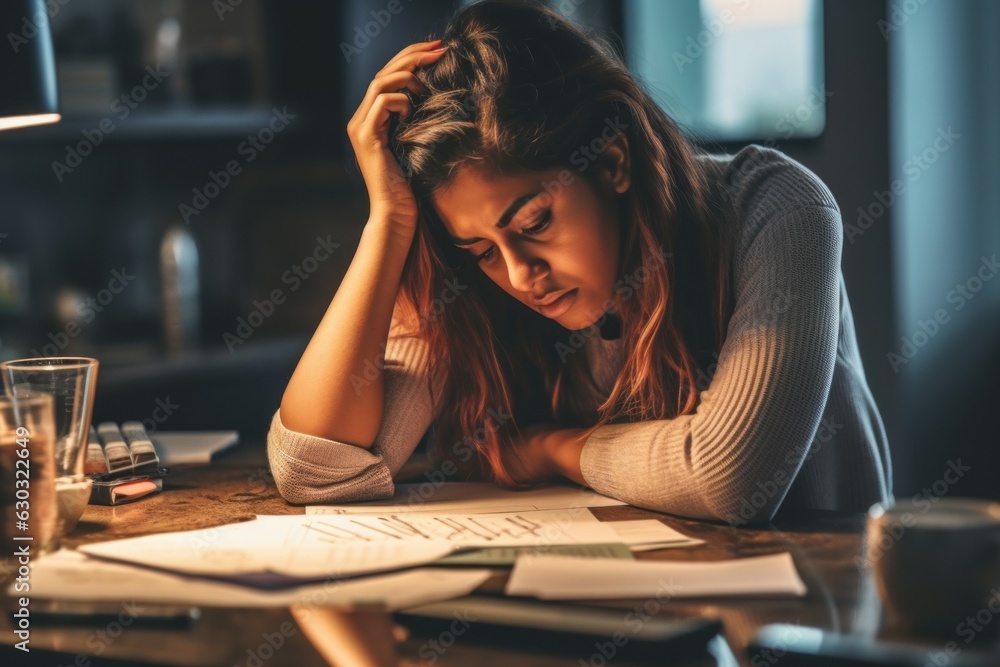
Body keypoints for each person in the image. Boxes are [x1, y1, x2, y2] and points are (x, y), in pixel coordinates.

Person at [266, 0, 892, 524]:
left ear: (613, 161)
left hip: (815, 616)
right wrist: (389, 222)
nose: (518, 275)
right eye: (482, 250)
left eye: (535, 222)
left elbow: (732, 478)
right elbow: (319, 468)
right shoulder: (465, 284)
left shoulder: (777, 207)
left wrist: (552, 448)